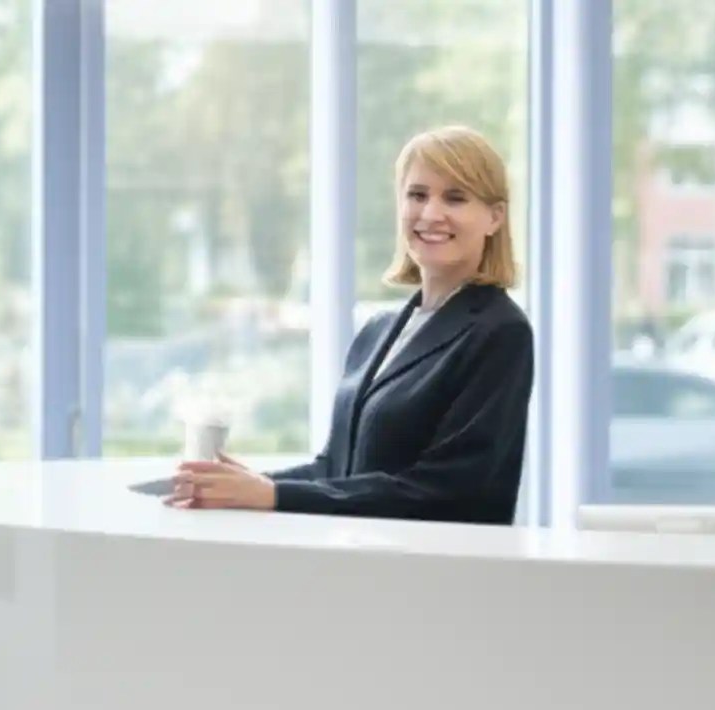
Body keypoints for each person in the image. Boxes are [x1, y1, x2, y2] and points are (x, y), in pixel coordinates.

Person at [168, 126, 534, 525]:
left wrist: (272, 493)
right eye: (417, 195)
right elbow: (337, 471)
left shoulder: (500, 331)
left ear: (495, 217)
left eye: (455, 197)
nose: (430, 213)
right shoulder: (379, 331)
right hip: (358, 567)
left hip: (435, 575)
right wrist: (245, 485)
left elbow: (452, 490)